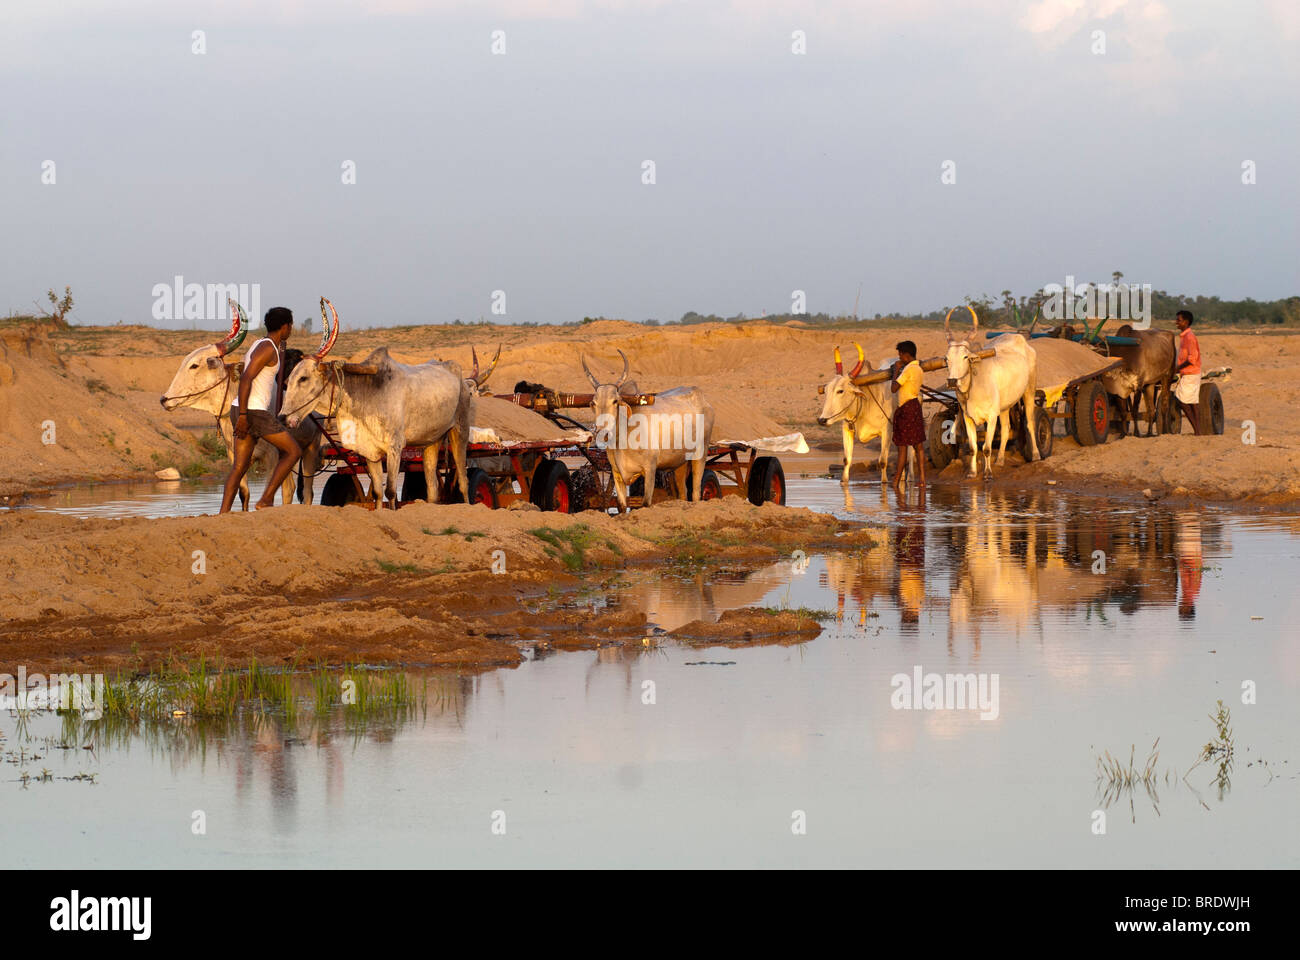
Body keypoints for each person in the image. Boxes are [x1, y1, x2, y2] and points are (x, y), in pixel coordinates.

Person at [219, 307, 302, 512]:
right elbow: (246, 378)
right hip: (253, 412)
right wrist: (245, 417)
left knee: (239, 467)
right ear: (284, 327)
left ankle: (222, 514)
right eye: (290, 325)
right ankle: (266, 499)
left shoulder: (263, 344)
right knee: (293, 451)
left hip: (243, 409)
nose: (291, 329)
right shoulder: (267, 348)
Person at [889, 340, 926, 492]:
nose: (899, 358)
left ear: (906, 355)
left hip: (906, 408)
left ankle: (896, 481)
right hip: (915, 406)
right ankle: (922, 479)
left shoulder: (908, 370)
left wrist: (896, 371)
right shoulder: (918, 369)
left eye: (900, 355)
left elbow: (893, 388)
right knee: (918, 445)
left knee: (902, 447)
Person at [1173, 310, 1202, 435]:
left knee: (1181, 400)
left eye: (1178, 320)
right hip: (1192, 373)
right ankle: (1198, 430)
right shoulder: (1185, 336)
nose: (1176, 323)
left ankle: (1196, 429)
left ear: (1186, 322)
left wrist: (1177, 368)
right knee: (1193, 401)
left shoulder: (1189, 338)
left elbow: (1191, 359)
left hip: (1190, 373)